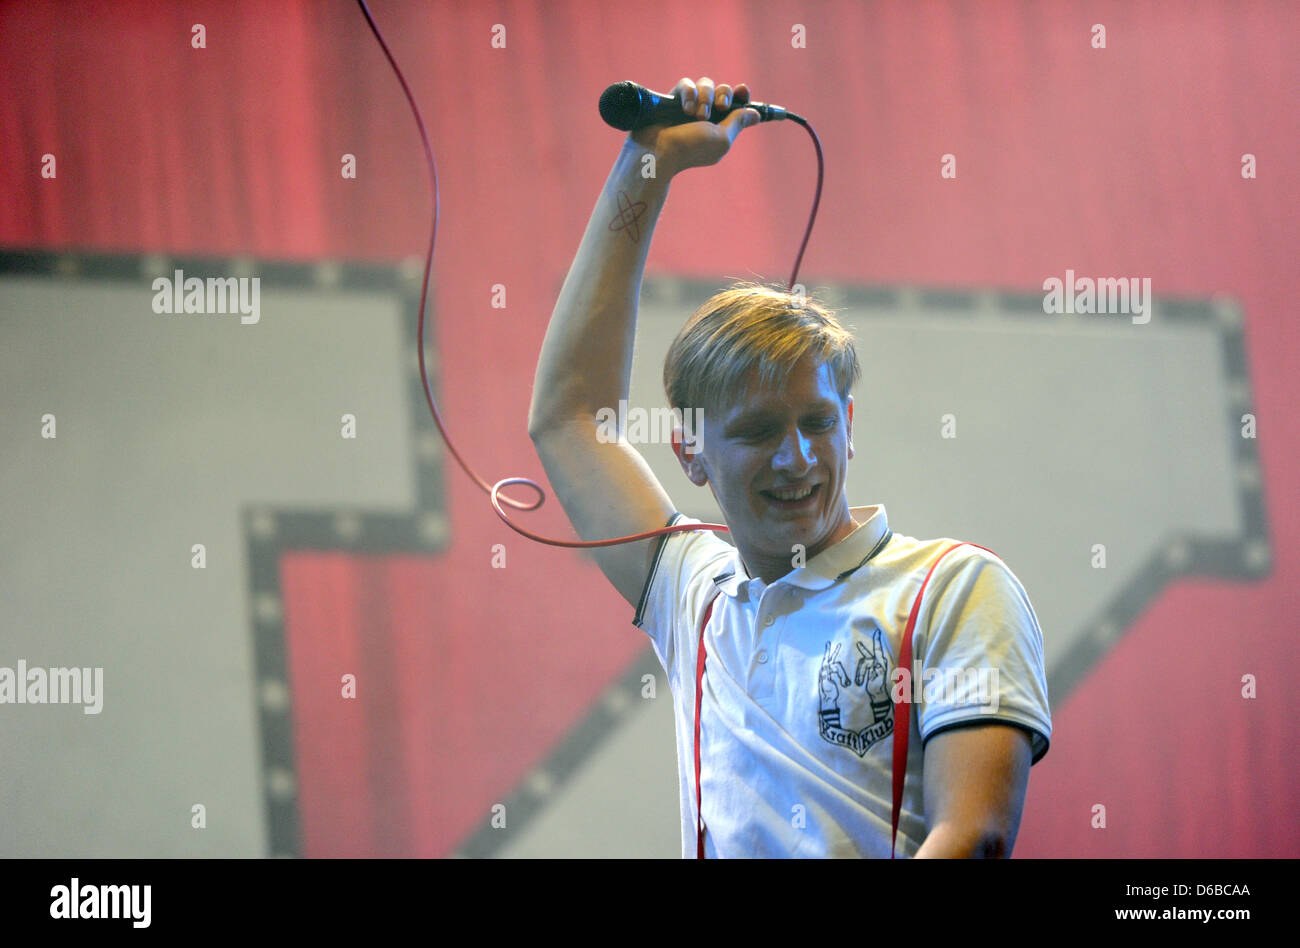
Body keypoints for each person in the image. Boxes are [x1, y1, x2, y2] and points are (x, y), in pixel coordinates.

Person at [528, 77, 1051, 857]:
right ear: (691, 454)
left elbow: (972, 837)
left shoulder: (955, 587)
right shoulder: (694, 595)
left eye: (816, 422)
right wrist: (647, 164)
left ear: (850, 429)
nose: (797, 456)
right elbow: (570, 418)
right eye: (758, 430)